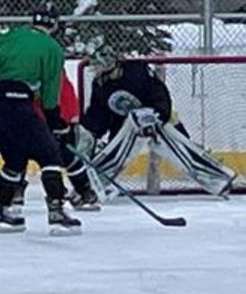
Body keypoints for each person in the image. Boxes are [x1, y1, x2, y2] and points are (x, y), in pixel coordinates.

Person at [0, 3, 81, 235]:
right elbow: (50, 95)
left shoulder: (10, 36)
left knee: (15, 158)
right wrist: (57, 124)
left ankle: (0, 212)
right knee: (50, 154)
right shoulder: (52, 48)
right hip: (17, 102)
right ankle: (57, 213)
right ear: (54, 24)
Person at [80, 50, 236, 197]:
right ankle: (90, 187)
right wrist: (88, 131)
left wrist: (156, 115)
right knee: (115, 153)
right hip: (126, 126)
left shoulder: (137, 74)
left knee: (182, 149)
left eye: (101, 68)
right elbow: (99, 114)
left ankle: (217, 179)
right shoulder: (100, 85)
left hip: (158, 120)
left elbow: (160, 96)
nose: (98, 72)